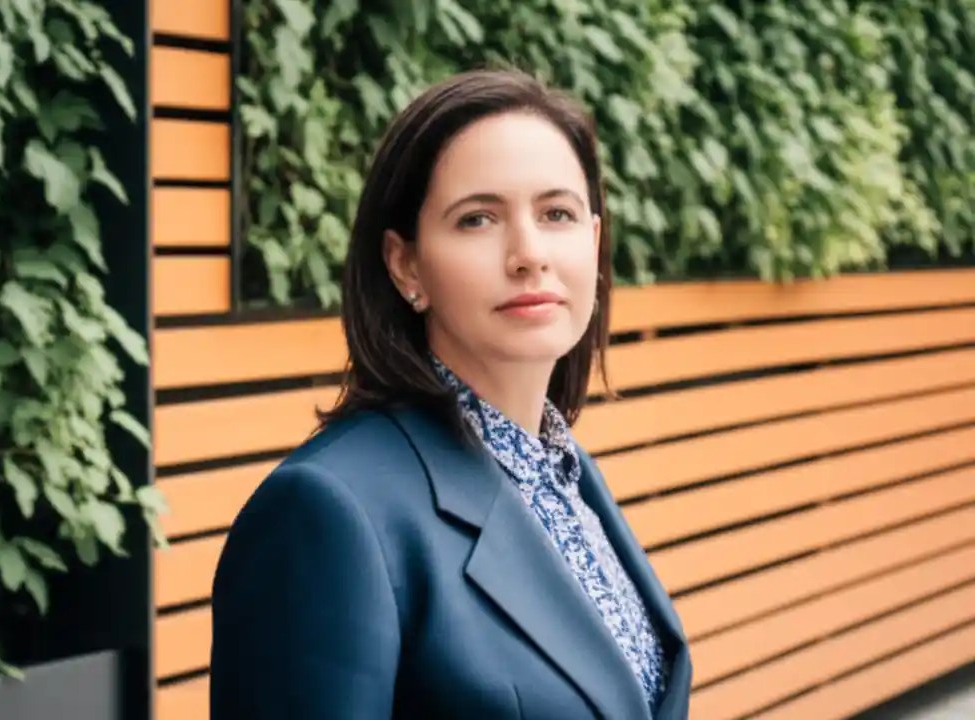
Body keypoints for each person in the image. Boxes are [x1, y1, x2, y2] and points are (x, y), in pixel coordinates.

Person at [210, 69, 692, 720]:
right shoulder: (328, 513)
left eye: (557, 213)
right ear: (405, 264)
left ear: (595, 242)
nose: (529, 254)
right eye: (477, 219)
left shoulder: (564, 475)